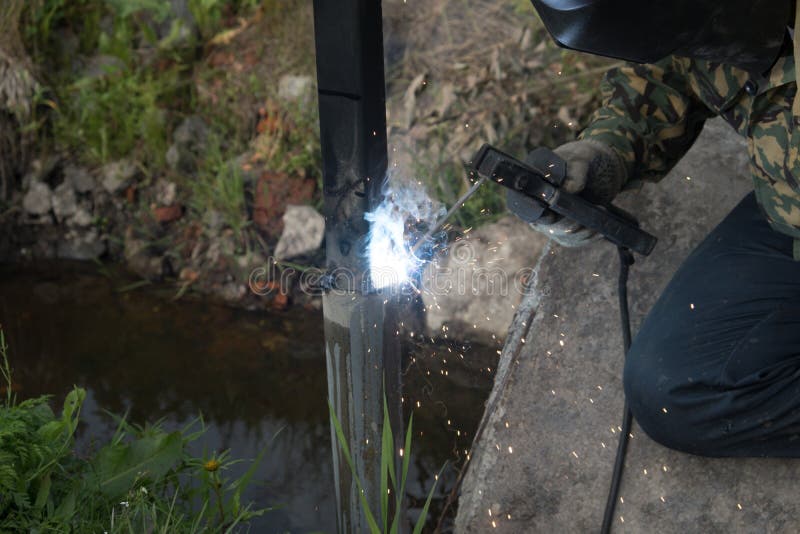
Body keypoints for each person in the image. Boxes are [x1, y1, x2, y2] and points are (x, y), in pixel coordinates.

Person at [521, 0, 800, 457]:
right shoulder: (703, 17)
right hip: (788, 209)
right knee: (672, 391)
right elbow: (673, 66)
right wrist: (606, 154)